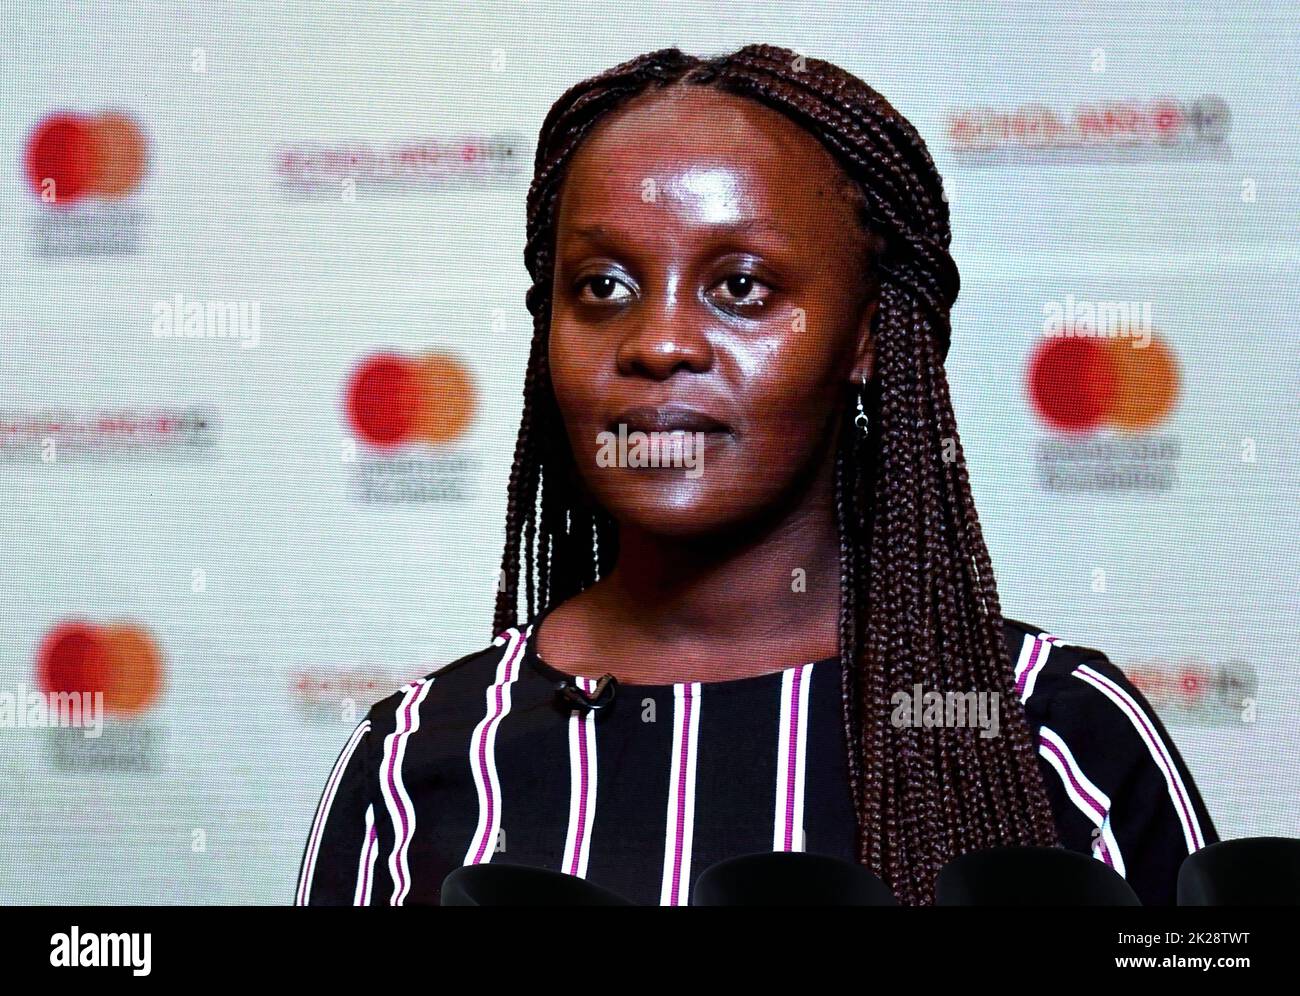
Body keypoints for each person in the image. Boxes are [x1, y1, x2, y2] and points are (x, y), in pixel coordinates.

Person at [296, 43, 1217, 906]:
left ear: (865, 334)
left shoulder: (1053, 730)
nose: (658, 343)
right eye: (603, 287)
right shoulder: (415, 758)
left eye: (741, 287)